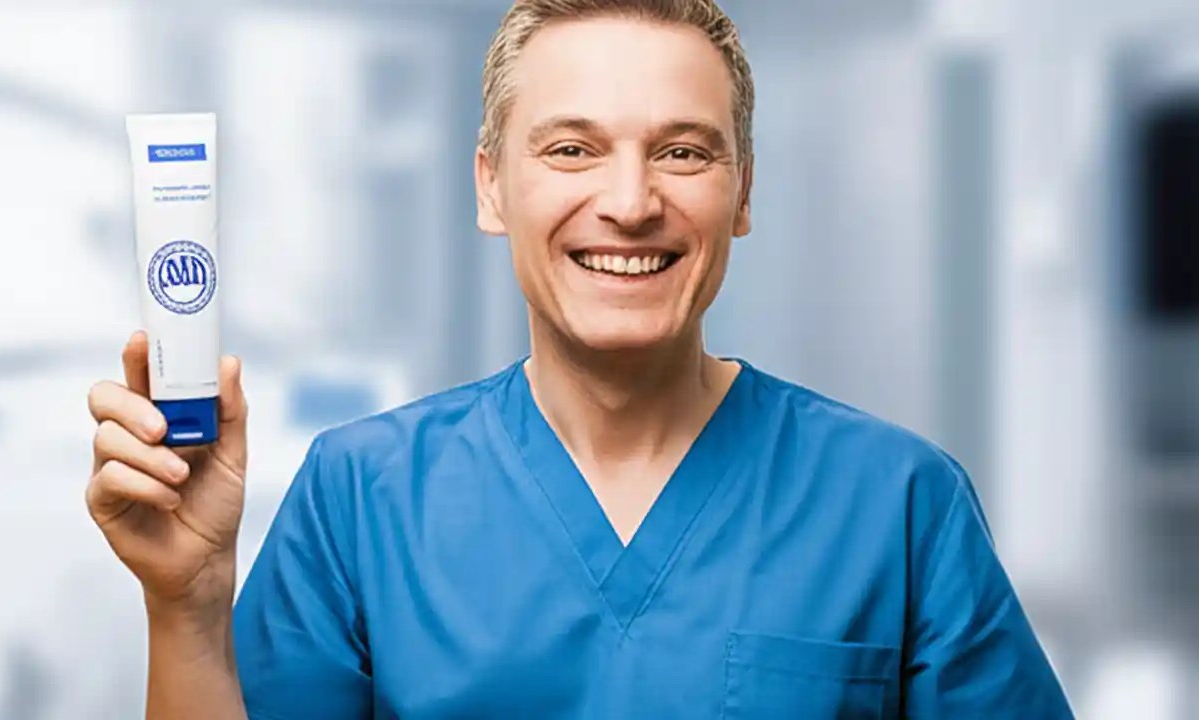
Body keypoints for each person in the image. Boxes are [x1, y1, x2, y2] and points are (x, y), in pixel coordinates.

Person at [85, 1, 1076, 717]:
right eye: (569, 150)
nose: (631, 201)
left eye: (683, 152)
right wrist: (185, 608)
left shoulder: (894, 503)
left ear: (740, 193)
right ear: (490, 189)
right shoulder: (362, 498)